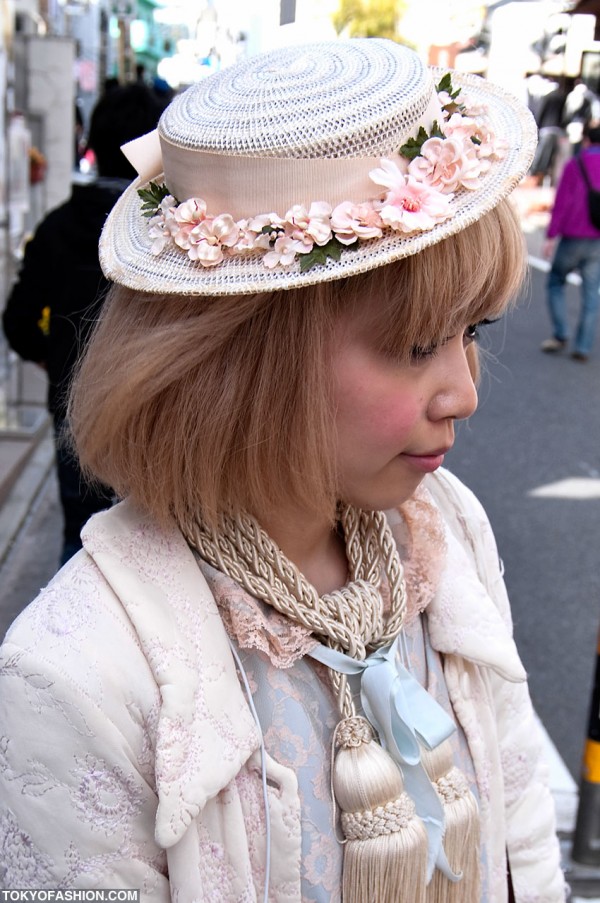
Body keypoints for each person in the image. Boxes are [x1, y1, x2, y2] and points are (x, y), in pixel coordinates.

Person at [0, 39, 565, 901]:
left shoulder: (444, 529)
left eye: (471, 333)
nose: (462, 393)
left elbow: (519, 823)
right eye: (416, 345)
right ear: (243, 363)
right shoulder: (78, 672)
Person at [2, 83, 167, 564]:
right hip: (151, 415)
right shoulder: (166, 233)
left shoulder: (57, 228)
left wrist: (58, 358)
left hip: (72, 410)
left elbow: (17, 324)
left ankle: (67, 633)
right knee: (157, 548)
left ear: (93, 141)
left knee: (81, 542)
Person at [541, 119, 600, 362]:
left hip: (573, 236)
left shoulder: (576, 165)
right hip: (597, 239)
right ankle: (583, 346)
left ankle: (561, 333)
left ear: (586, 139)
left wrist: (551, 236)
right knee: (591, 292)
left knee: (555, 282)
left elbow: (562, 203)